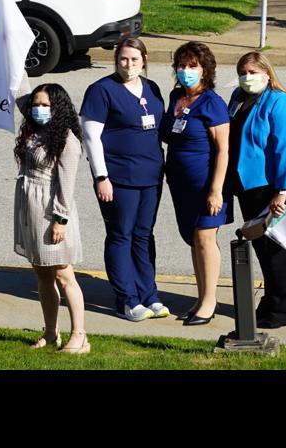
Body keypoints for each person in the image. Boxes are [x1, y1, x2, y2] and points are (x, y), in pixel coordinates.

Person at [79, 35, 169, 322]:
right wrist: (101, 176)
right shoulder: (101, 90)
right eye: (123, 59)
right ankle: (127, 300)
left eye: (134, 59)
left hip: (151, 176)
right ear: (116, 60)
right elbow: (91, 137)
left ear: (144, 60)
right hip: (119, 177)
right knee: (121, 234)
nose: (128, 64)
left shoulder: (151, 88)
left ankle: (149, 294)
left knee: (144, 235)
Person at [223, 52, 286, 328]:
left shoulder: (281, 102)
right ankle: (270, 302)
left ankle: (283, 312)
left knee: (280, 252)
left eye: (253, 72)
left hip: (277, 188)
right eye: (243, 73)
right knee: (263, 249)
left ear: (267, 74)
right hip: (250, 186)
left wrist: (282, 192)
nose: (247, 77)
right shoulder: (238, 97)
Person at [13, 83, 89, 354]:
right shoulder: (35, 130)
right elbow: (19, 89)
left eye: (46, 105)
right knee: (42, 274)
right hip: (30, 208)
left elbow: (66, 185)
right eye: (36, 104)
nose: (39, 109)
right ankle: (50, 331)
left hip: (51, 211)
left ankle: (80, 336)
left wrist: (60, 219)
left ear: (58, 108)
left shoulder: (67, 140)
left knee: (63, 274)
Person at [160, 41, 232, 326]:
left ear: (205, 70)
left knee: (205, 238)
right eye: (181, 65)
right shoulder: (176, 97)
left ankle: (210, 301)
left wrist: (216, 190)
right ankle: (201, 297)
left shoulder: (212, 103)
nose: (186, 70)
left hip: (207, 184)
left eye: (192, 66)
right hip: (181, 185)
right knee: (194, 240)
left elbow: (223, 150)